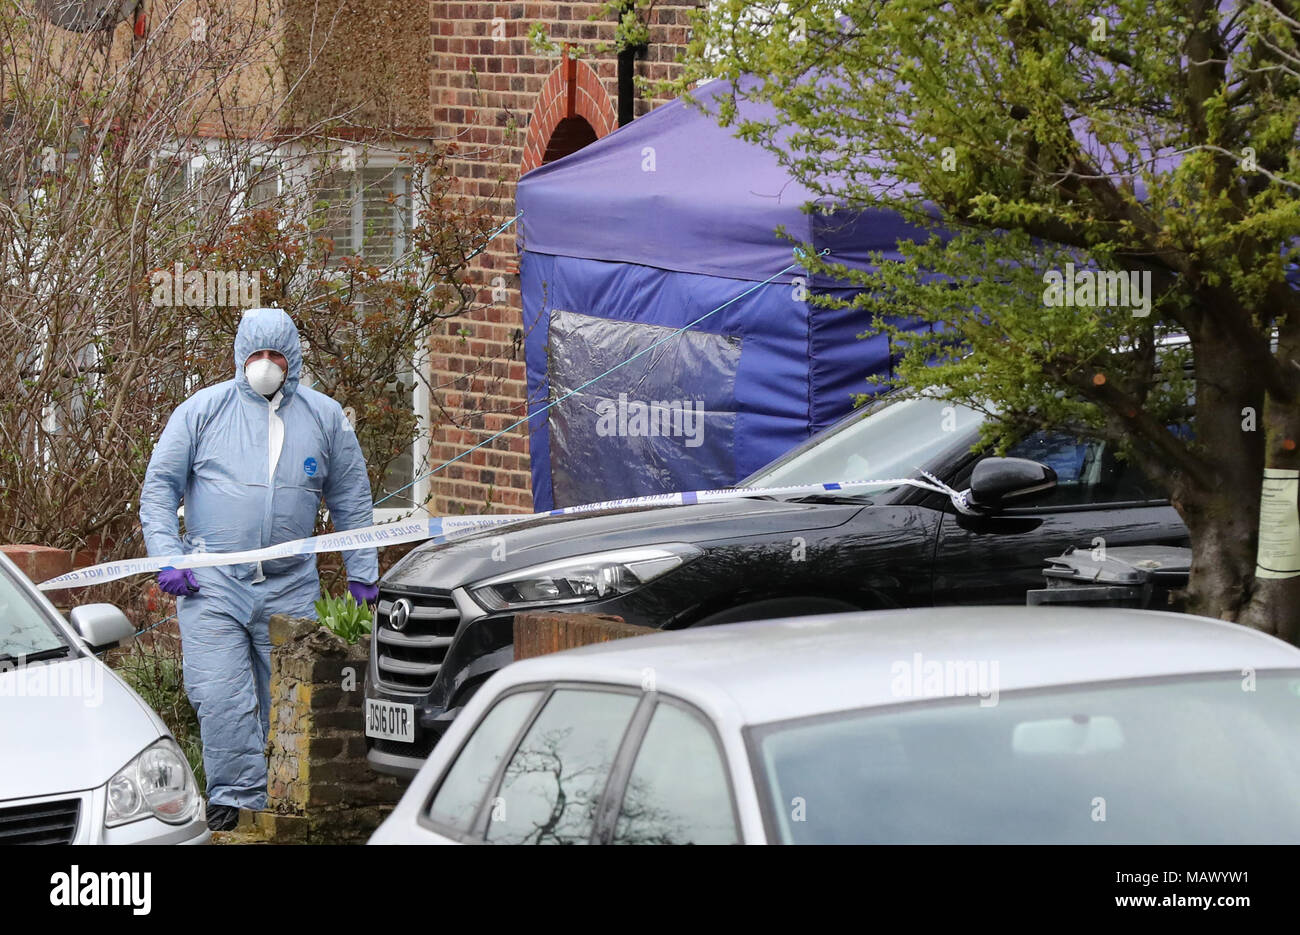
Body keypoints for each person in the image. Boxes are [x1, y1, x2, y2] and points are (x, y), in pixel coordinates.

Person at [139, 308, 379, 832]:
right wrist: (169, 554)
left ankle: (285, 802)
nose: (265, 366)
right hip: (212, 586)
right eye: (256, 355)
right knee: (220, 693)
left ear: (293, 358)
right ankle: (234, 802)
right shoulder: (202, 411)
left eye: (276, 356)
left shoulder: (325, 417)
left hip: (291, 585)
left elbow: (352, 501)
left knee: (289, 699)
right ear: (239, 356)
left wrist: (363, 571)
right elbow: (159, 488)